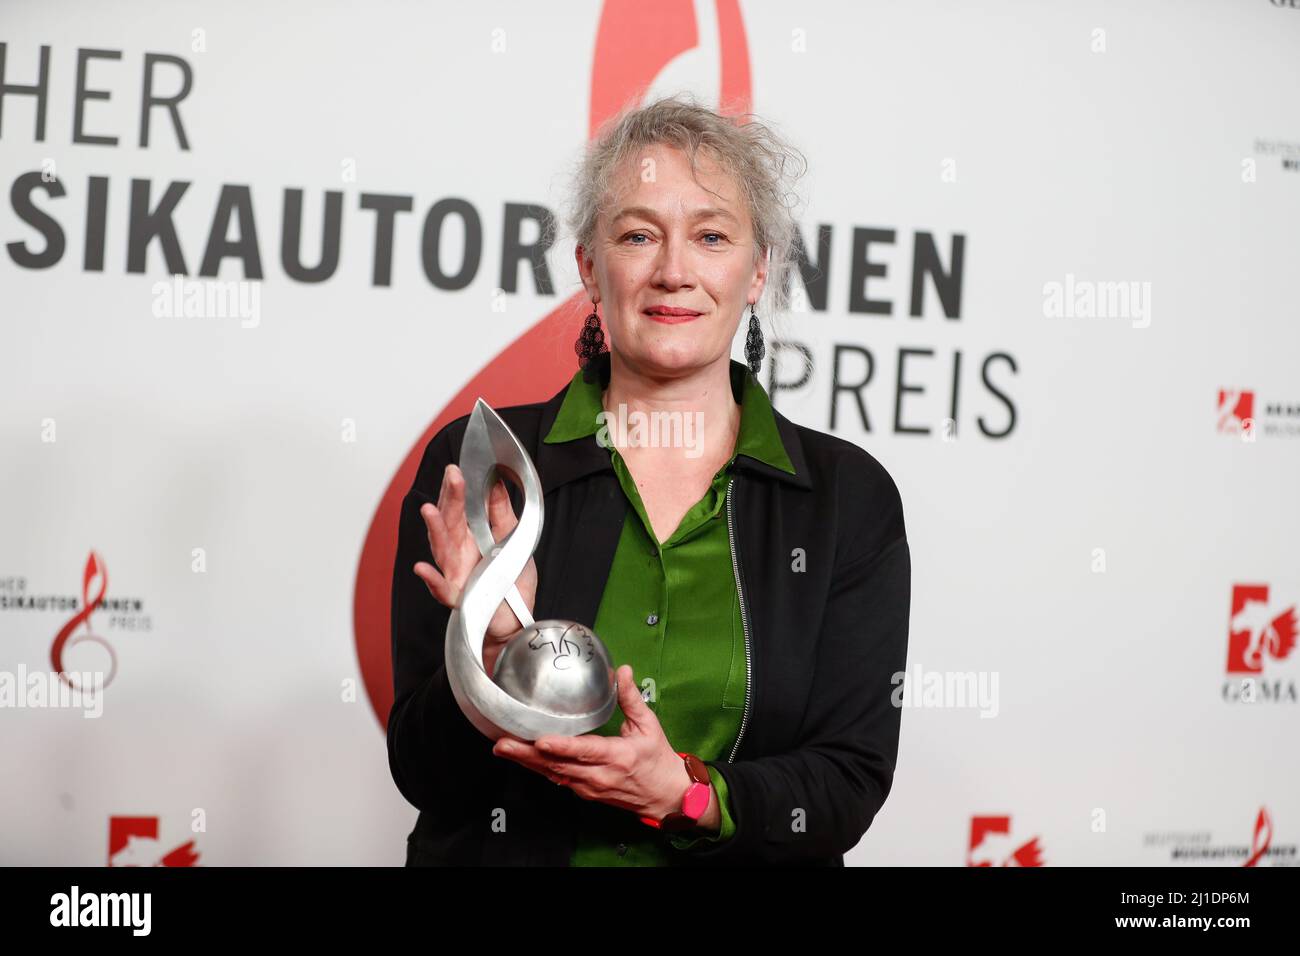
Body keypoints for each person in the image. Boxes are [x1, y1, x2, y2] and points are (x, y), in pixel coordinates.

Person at [387, 93, 910, 866]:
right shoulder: (486, 467)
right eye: (638, 235)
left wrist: (685, 793)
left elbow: (845, 784)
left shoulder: (844, 500)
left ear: (759, 269)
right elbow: (423, 772)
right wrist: (495, 652)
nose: (673, 271)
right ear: (591, 269)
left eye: (711, 236)